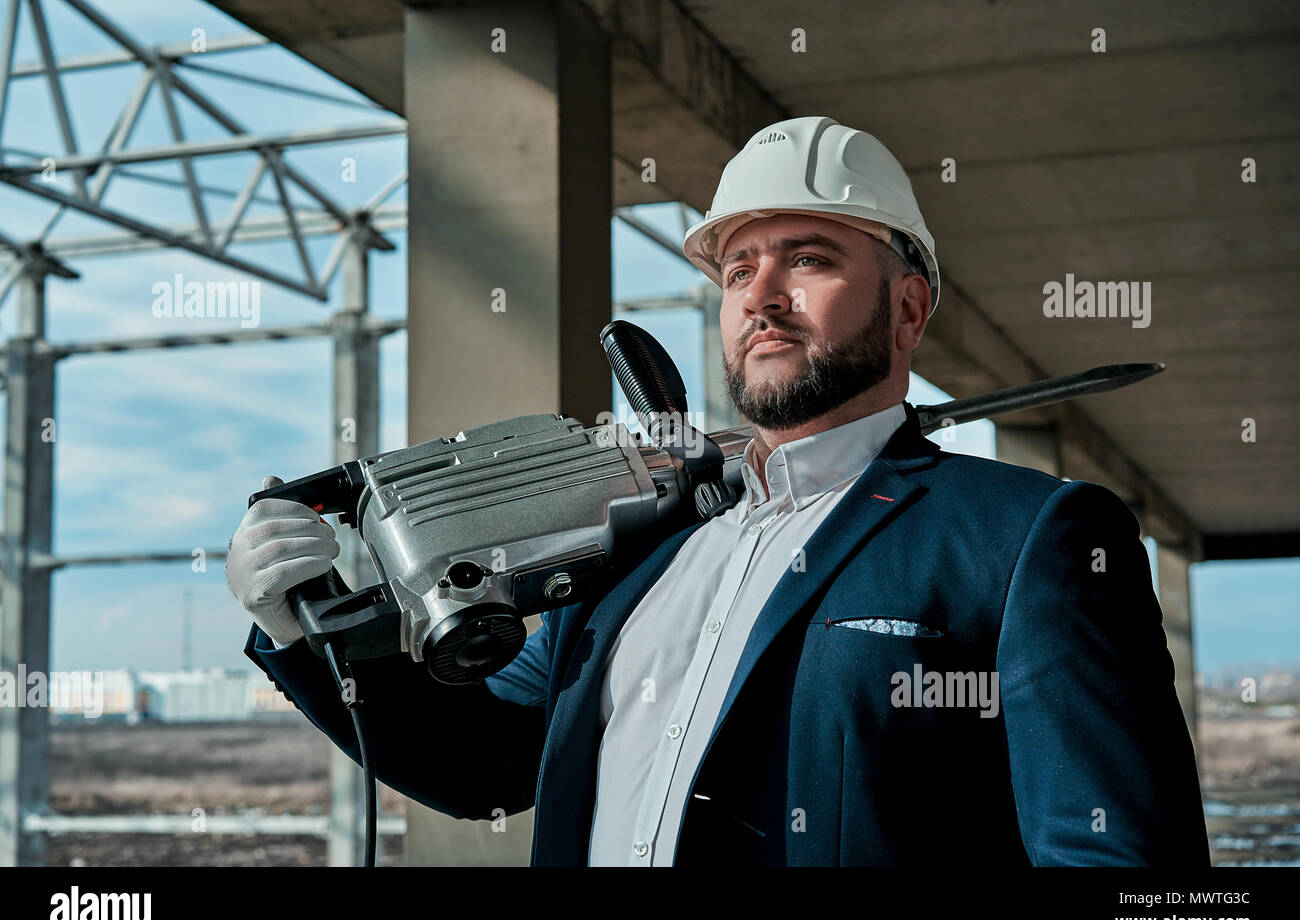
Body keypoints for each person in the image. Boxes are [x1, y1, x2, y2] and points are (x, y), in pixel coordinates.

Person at [226, 116, 1210, 866]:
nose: (762, 294)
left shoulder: (1024, 540)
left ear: (908, 306)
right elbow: (483, 764)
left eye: (809, 257)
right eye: (738, 267)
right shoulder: (630, 543)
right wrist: (301, 632)